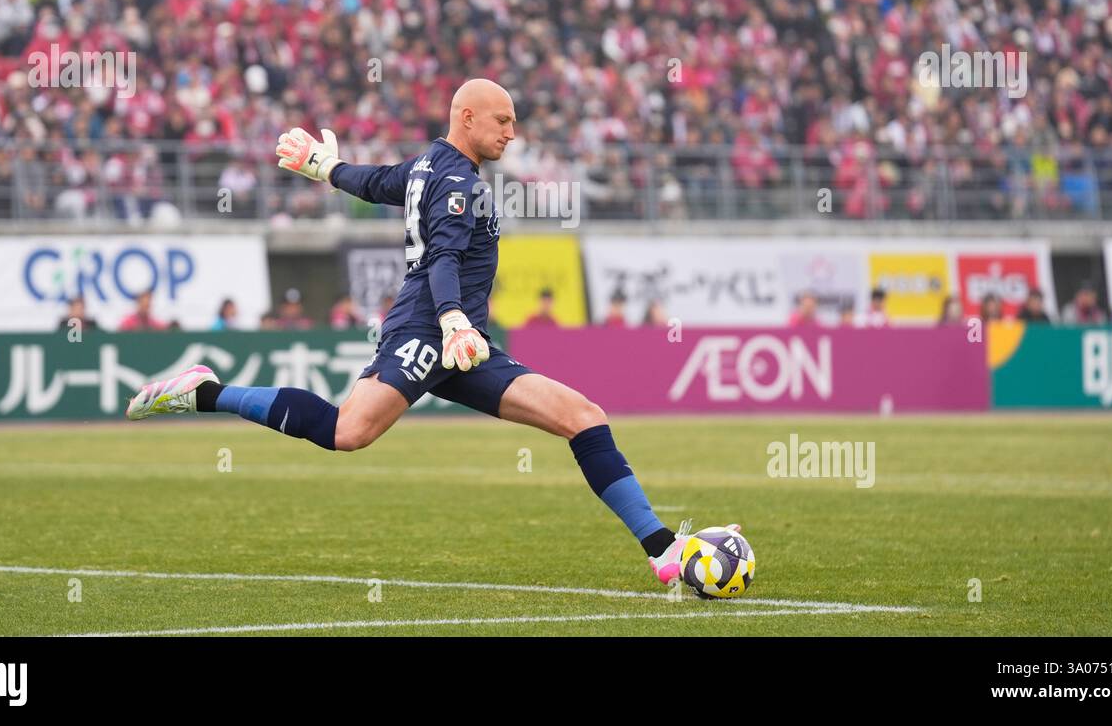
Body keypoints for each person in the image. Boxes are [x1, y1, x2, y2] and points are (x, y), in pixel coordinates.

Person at [126, 78, 724, 587]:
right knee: (347, 431)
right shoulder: (457, 180)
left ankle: (662, 548)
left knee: (583, 416)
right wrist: (452, 319)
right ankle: (205, 391)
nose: (511, 133)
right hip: (431, 328)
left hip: (461, 341)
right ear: (467, 118)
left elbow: (378, 181)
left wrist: (327, 167)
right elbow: (441, 257)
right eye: (503, 121)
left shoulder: (429, 167)